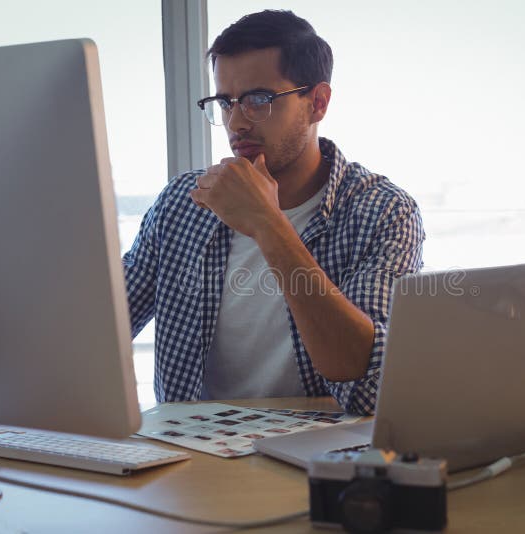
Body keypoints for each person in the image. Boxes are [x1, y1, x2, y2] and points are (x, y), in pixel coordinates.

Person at [123, 10, 424, 415]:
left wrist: (268, 223)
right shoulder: (182, 202)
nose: (236, 122)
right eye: (225, 102)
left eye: (258, 100)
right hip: (193, 459)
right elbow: (103, 331)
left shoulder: (383, 211)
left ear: (317, 103)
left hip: (321, 454)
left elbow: (363, 376)